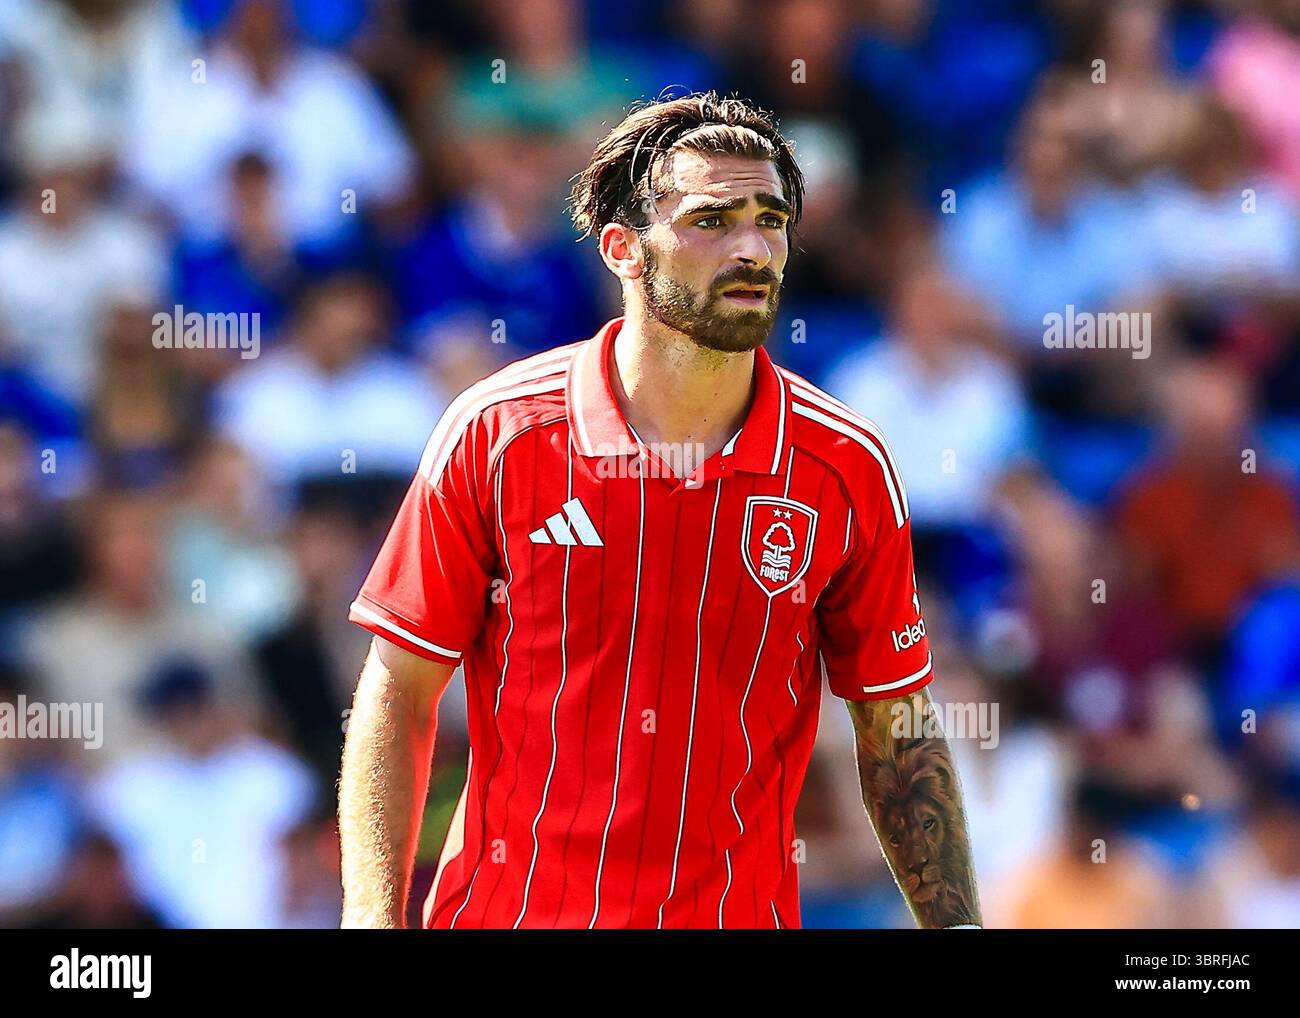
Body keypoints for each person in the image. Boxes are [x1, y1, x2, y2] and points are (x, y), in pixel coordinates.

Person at [338, 92, 982, 930]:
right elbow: (398, 697)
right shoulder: (496, 435)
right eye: (711, 221)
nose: (753, 248)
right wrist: (370, 920)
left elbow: (896, 728)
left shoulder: (843, 466)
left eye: (772, 220)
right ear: (623, 251)